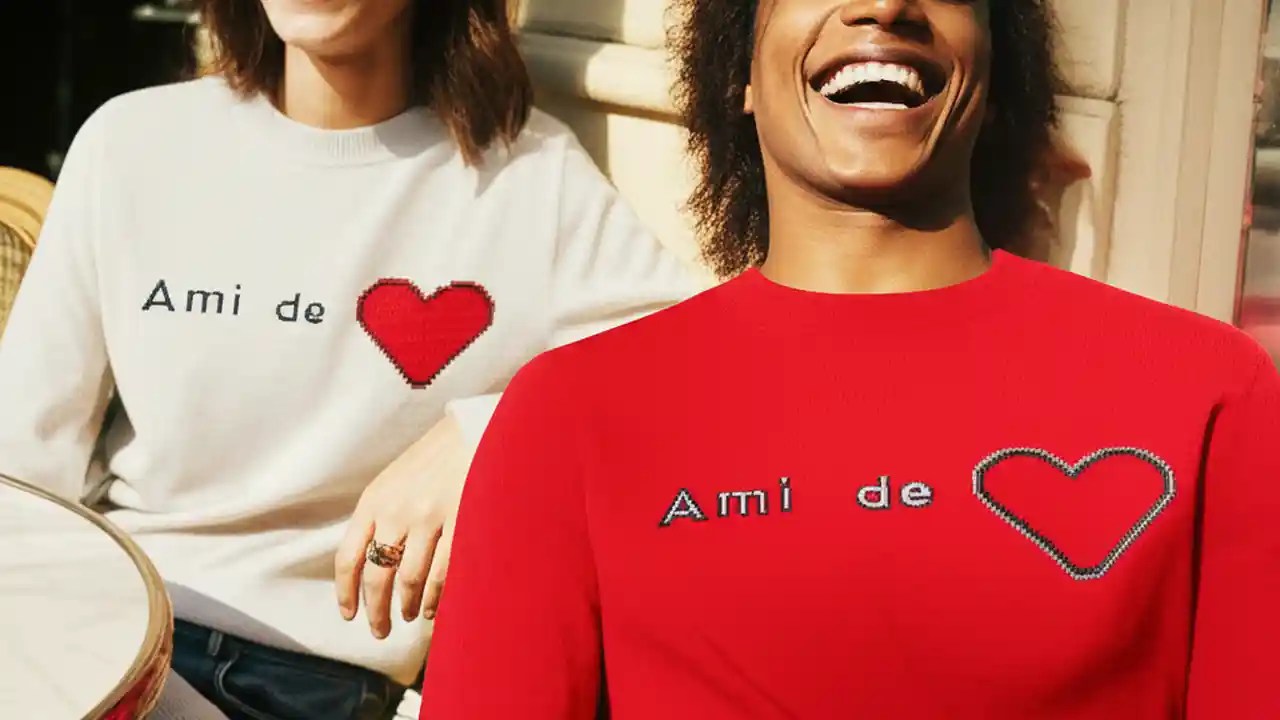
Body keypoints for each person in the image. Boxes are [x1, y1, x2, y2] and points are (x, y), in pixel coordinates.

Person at [418, 0, 1280, 717]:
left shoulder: (1205, 392)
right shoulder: (574, 414)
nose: (886, 4)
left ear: (996, 65)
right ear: (738, 72)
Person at [0, 0, 700, 717]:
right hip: (114, 652)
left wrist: (486, 433)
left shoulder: (530, 178)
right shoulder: (130, 144)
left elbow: (702, 369)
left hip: (320, 687)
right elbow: (20, 477)